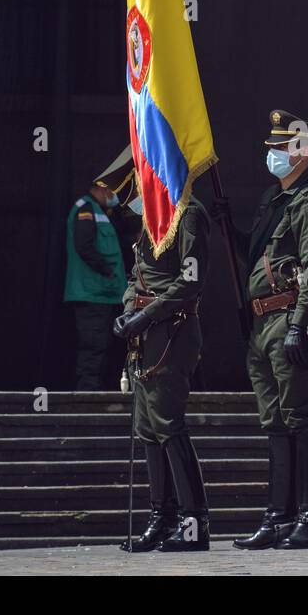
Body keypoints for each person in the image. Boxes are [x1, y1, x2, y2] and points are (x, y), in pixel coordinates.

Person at [229, 110, 308, 550]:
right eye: (270, 148)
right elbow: (257, 255)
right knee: (274, 422)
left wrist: (299, 322)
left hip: (288, 318)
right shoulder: (274, 198)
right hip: (262, 322)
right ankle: (278, 516)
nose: (273, 155)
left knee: (302, 419)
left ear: (303, 153)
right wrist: (227, 225)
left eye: (281, 149)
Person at [113, 178, 212, 553]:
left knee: (168, 424)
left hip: (172, 329)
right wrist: (127, 312)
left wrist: (147, 315)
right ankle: (162, 517)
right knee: (148, 428)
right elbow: (135, 275)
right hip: (144, 333)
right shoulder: (152, 217)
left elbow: (191, 281)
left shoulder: (188, 215)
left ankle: (194, 523)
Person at [63, 148, 133, 390]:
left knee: (103, 346)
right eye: (112, 189)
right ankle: (87, 398)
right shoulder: (86, 209)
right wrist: (108, 271)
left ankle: (97, 393)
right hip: (92, 292)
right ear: (102, 187)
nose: (116, 195)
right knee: (92, 346)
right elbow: (84, 246)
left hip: (105, 293)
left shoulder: (103, 212)